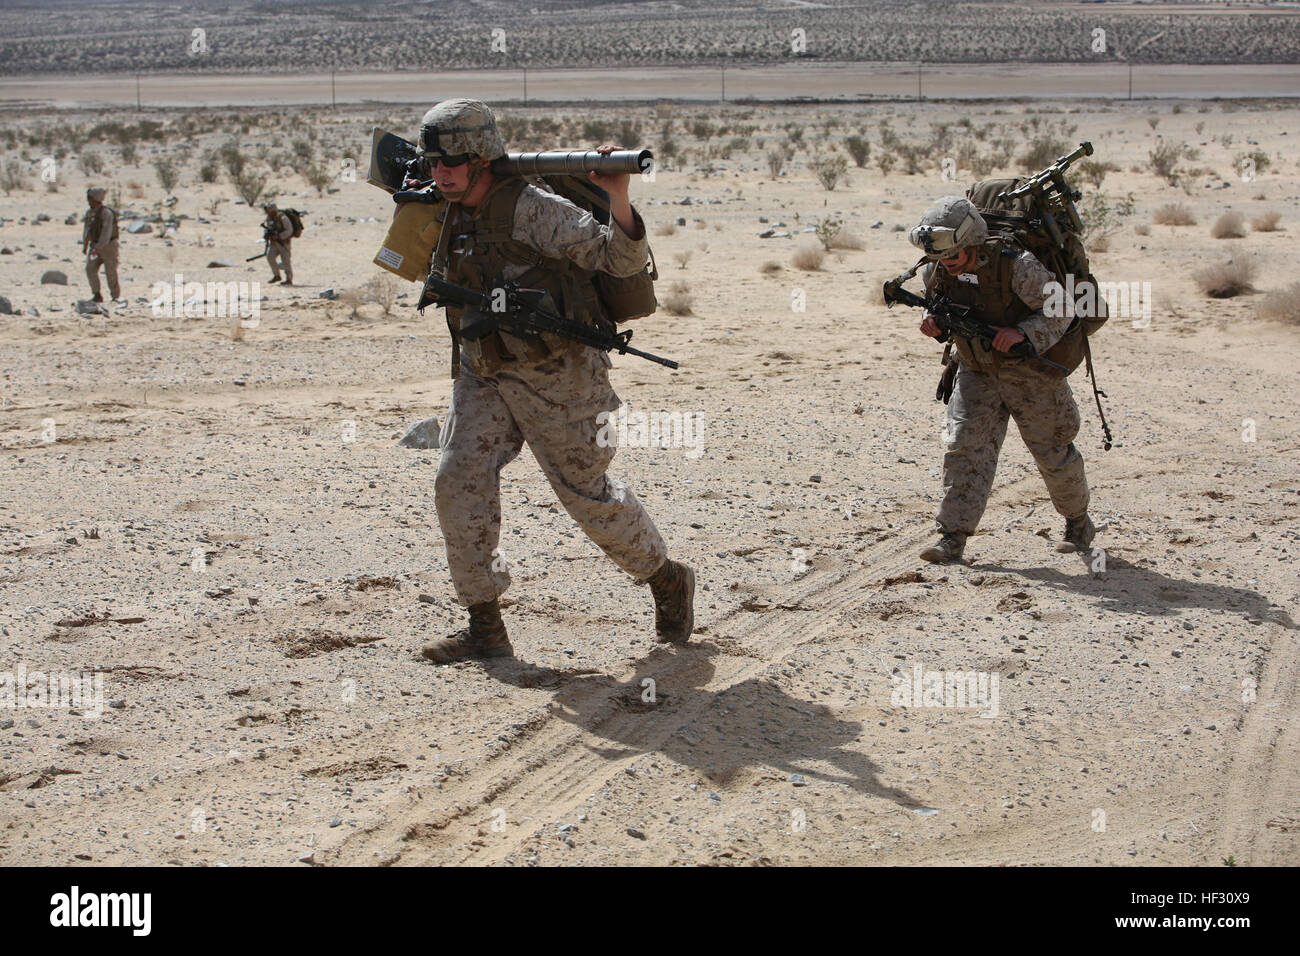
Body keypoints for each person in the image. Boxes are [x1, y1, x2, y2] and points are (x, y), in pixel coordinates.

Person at [414, 98, 694, 663]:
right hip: (484, 369)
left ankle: (666, 577)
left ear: (484, 159)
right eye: (434, 163)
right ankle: (485, 628)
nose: (441, 174)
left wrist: (619, 196)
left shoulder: (530, 207)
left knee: (586, 497)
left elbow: (618, 260)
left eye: (454, 162)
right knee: (458, 480)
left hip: (560, 374)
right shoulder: (437, 206)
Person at [911, 196, 1095, 563]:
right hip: (976, 369)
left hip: (1030, 373)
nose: (945, 258)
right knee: (964, 448)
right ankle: (953, 537)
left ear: (970, 238)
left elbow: (1060, 309)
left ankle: (1078, 524)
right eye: (938, 251)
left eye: (952, 249)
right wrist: (936, 328)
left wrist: (1023, 334)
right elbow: (944, 310)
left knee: (1052, 453)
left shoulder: (1017, 267)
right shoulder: (936, 271)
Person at [82, 186, 122, 305]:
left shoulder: (106, 213)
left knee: (110, 271)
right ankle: (96, 294)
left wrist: (98, 248)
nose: (88, 200)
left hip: (108, 247)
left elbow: (106, 232)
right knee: (90, 269)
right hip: (95, 246)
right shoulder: (90, 213)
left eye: (90, 198)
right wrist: (86, 245)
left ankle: (115, 296)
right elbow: (88, 230)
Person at [262, 202, 294, 285]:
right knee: (270, 257)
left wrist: (279, 236)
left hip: (283, 243)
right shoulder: (269, 218)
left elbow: (289, 230)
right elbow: (269, 228)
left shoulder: (283, 218)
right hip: (274, 243)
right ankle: (277, 275)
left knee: (286, 261)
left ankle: (289, 279)